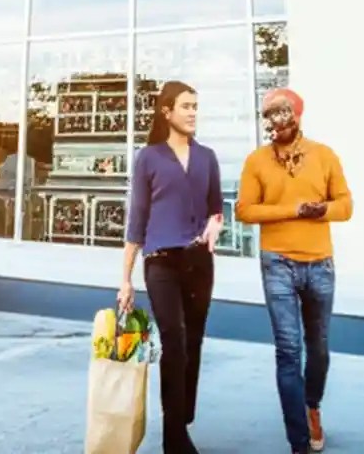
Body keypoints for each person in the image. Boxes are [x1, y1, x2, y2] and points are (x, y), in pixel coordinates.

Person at [235, 87, 352, 454]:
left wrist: (322, 211)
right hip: (277, 263)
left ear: (297, 115)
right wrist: (293, 210)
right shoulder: (256, 161)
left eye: (280, 112)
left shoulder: (324, 155)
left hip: (320, 263)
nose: (274, 121)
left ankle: (311, 405)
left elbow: (346, 205)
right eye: (268, 114)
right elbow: (245, 210)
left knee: (318, 348)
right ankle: (298, 441)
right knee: (288, 350)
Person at [118, 80, 225, 454]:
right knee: (175, 340)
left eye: (196, 105)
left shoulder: (208, 157)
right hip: (160, 260)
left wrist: (215, 225)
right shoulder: (148, 157)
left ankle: (182, 417)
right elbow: (137, 220)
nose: (193, 112)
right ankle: (173, 435)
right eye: (186, 106)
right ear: (167, 112)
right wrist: (125, 280)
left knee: (193, 342)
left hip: (199, 262)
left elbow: (216, 208)